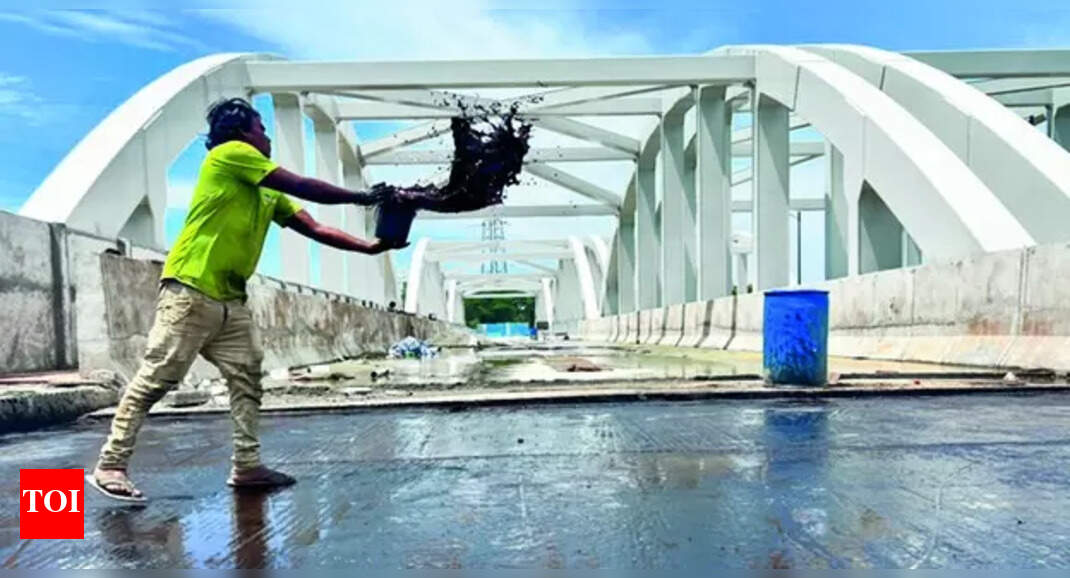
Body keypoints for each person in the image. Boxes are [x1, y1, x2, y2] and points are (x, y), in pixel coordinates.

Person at [88, 98, 405, 502]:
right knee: (158, 378)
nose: (268, 135)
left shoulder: (266, 191)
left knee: (247, 378)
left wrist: (370, 248)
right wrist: (363, 198)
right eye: (262, 127)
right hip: (191, 289)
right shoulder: (231, 155)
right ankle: (111, 465)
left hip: (230, 302)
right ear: (242, 133)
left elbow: (314, 227)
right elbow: (304, 186)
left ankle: (247, 465)